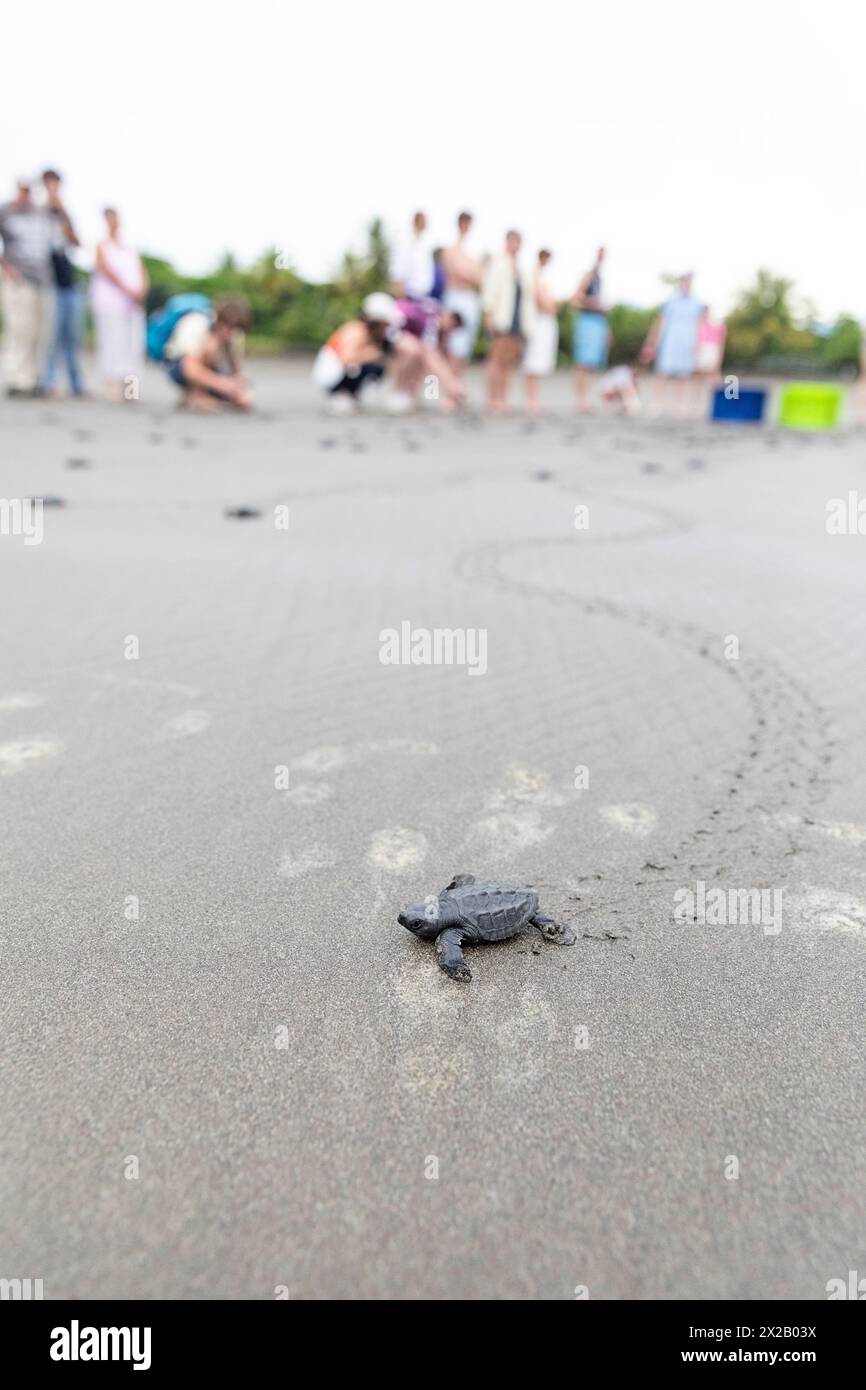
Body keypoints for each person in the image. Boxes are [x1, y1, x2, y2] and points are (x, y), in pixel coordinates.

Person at [0, 177, 55, 397]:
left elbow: (67, 229)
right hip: (18, 279)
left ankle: (32, 379)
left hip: (42, 279)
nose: (25, 194)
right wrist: (6, 267)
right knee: (19, 329)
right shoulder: (6, 211)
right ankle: (17, 379)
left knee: (39, 332)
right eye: (22, 189)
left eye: (28, 190)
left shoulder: (41, 212)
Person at [90, 208, 148, 400]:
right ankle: (112, 387)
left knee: (132, 345)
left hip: (133, 305)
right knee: (112, 343)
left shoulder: (129, 248)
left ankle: (131, 389)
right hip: (111, 303)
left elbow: (141, 272)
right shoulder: (102, 246)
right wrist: (128, 290)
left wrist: (140, 291)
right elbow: (105, 270)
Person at [311, 292, 402, 413]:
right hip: (333, 376)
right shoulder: (357, 331)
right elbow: (346, 359)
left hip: (337, 373)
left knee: (376, 365)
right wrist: (371, 354)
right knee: (371, 366)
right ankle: (342, 394)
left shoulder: (368, 333)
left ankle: (351, 395)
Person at [163, 296, 253, 411]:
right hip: (178, 366)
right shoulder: (196, 323)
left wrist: (238, 388)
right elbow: (189, 367)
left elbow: (235, 369)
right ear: (220, 320)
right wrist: (224, 385)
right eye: (229, 327)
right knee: (211, 346)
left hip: (213, 371)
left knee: (243, 398)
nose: (231, 333)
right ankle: (196, 393)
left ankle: (201, 394)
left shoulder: (236, 335)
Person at [39, 169, 84, 398]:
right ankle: (48, 383)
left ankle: (76, 386)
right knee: (51, 336)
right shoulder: (38, 213)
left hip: (70, 282)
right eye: (50, 185)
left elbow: (77, 241)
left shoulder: (64, 215)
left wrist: (63, 211)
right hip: (49, 284)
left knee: (72, 336)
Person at [482, 229, 535, 413]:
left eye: (518, 242)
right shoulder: (498, 264)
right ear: (506, 242)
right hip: (501, 320)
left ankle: (503, 398)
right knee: (496, 360)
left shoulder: (523, 269)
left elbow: (528, 298)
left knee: (508, 362)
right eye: (512, 242)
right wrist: (489, 316)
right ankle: (492, 398)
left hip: (518, 322)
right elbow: (489, 293)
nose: (515, 246)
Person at [640, 273, 703, 417]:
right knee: (663, 372)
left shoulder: (696, 302)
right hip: (670, 340)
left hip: (688, 340)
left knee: (683, 374)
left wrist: (698, 342)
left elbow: (699, 325)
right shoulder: (670, 300)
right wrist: (652, 342)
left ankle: (678, 406)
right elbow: (660, 321)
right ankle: (657, 403)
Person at [391, 296, 465, 411]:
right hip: (391, 327)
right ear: (450, 319)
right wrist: (450, 382)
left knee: (417, 352)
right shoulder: (434, 320)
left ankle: (408, 391)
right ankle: (402, 391)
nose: (449, 332)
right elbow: (430, 354)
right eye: (452, 328)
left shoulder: (433, 311)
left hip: (399, 329)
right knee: (414, 351)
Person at [441, 211, 483, 375]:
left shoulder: (473, 251)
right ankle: (448, 389)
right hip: (454, 298)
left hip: (469, 299)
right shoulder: (450, 249)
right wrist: (467, 272)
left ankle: (457, 384)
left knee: (465, 344)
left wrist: (467, 273)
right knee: (452, 342)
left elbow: (479, 278)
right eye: (464, 223)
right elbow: (455, 271)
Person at [570, 246, 609, 412]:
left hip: (598, 322)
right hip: (587, 321)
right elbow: (575, 298)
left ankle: (585, 399)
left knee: (591, 363)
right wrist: (594, 303)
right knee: (583, 362)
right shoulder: (589, 275)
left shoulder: (600, 278)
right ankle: (580, 400)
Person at [524, 249, 558, 413]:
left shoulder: (544, 276)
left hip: (546, 321)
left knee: (540, 360)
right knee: (533, 359)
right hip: (538, 321)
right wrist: (549, 306)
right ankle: (531, 399)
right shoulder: (534, 274)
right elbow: (540, 299)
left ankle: (534, 398)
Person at [390, 211, 434, 301]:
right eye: (423, 221)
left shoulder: (424, 244)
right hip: (407, 293)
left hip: (422, 293)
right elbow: (398, 268)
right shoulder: (405, 241)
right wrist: (399, 289)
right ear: (416, 222)